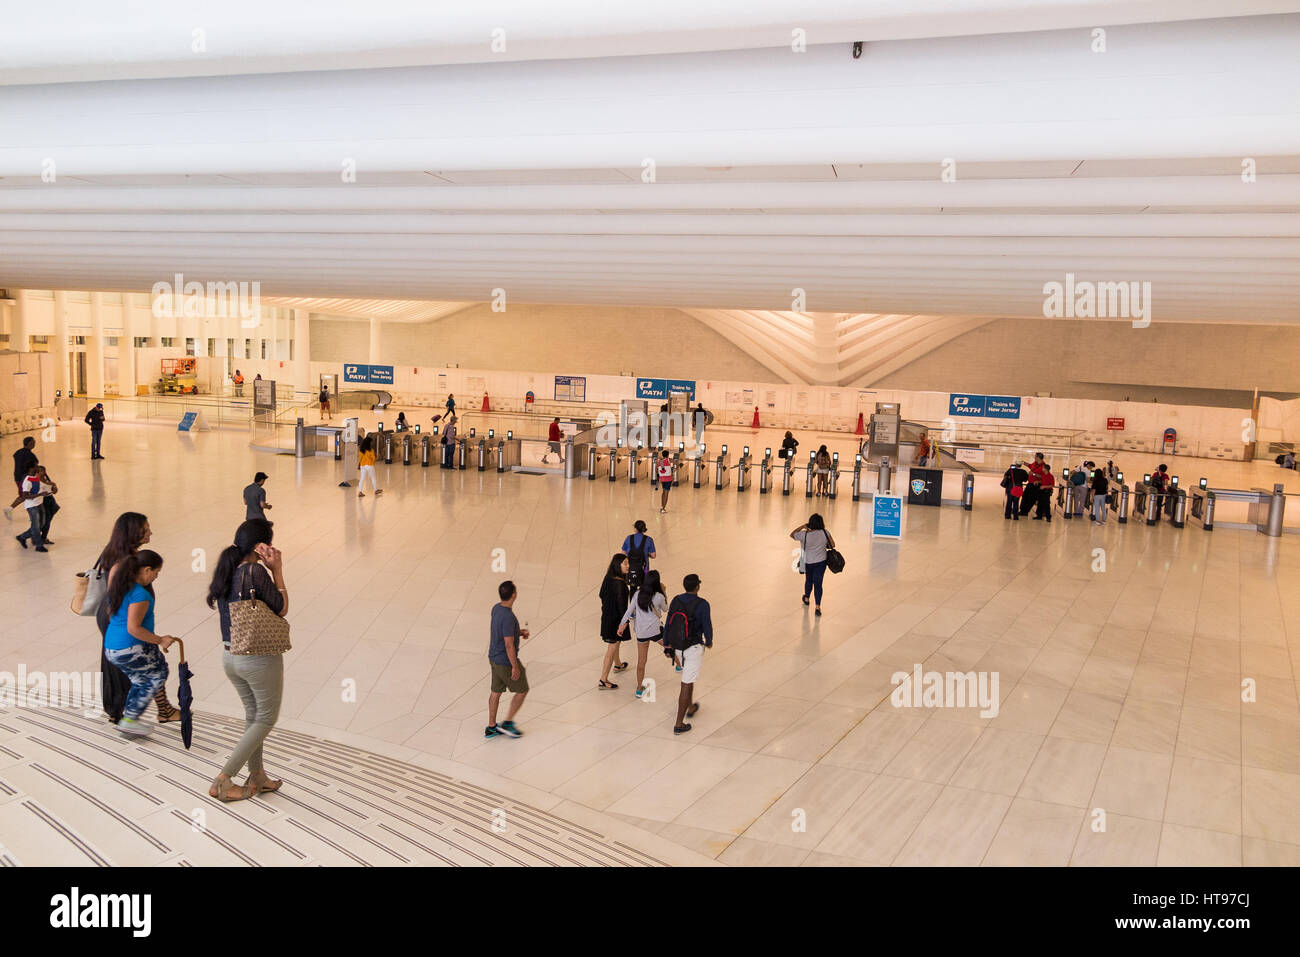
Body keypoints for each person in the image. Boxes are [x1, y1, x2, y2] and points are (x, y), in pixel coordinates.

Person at [206, 519, 289, 801]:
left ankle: (257, 776)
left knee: (254, 716)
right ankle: (223, 779)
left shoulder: (227, 570)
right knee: (266, 718)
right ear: (260, 546)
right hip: (257, 657)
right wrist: (277, 570)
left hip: (230, 656)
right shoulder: (254, 571)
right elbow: (281, 609)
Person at [95, 512, 180, 724]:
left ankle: (162, 709)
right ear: (133, 532)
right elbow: (117, 594)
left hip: (124, 617)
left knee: (150, 661)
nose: (151, 531)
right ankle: (120, 712)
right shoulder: (120, 560)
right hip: (120, 620)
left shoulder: (126, 555)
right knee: (128, 667)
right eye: (146, 528)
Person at [103, 550, 175, 737]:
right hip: (130, 647)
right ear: (146, 570)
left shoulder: (119, 586)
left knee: (140, 680)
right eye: (156, 572)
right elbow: (134, 628)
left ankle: (130, 720)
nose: (156, 577)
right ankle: (130, 719)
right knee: (157, 675)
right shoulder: (140, 595)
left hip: (112, 647)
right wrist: (160, 640)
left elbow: (110, 612)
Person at [665, 573, 712, 735]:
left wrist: (667, 644)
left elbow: (669, 622)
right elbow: (707, 626)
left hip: (678, 646)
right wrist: (709, 641)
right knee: (686, 682)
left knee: (688, 676)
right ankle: (679, 723)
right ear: (697, 587)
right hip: (693, 648)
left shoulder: (676, 600)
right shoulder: (702, 604)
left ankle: (690, 706)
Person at [486, 580, 530, 739]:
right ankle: (507, 723)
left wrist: (519, 632)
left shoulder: (496, 608)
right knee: (522, 689)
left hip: (493, 658)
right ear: (514, 595)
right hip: (505, 661)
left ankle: (491, 727)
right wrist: (515, 666)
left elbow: (502, 632)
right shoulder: (509, 616)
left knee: (495, 692)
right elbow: (509, 644)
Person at [617, 569, 668, 698]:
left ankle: (639, 689)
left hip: (641, 632)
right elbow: (666, 609)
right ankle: (680, 665)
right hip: (655, 630)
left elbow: (629, 611)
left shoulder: (637, 594)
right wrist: (664, 592)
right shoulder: (659, 596)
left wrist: (622, 625)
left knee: (641, 661)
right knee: (669, 645)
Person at [597, 553, 631, 689]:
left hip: (606, 616)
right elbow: (623, 607)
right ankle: (603, 680)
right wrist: (624, 623)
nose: (628, 566)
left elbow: (601, 594)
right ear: (618, 565)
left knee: (616, 642)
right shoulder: (620, 585)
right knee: (611, 648)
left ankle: (618, 664)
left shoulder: (608, 578)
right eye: (625, 564)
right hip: (615, 620)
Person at [791, 514, 835, 616]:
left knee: (809, 580)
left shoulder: (804, 534)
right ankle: (818, 607)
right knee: (818, 584)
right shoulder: (825, 532)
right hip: (821, 562)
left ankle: (806, 598)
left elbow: (792, 535)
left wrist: (802, 526)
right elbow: (832, 545)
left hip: (808, 562)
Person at [14, 465, 50, 552]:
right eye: (35, 467)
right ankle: (39, 546)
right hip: (32, 506)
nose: (37, 468)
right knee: (36, 527)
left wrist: (52, 490)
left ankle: (22, 537)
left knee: (41, 524)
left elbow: (43, 488)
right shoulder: (27, 480)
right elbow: (25, 496)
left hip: (39, 504)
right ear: (30, 469)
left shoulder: (35, 478)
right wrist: (40, 495)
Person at [621, 520, 656, 588]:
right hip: (644, 569)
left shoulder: (629, 538)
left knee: (632, 587)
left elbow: (623, 553)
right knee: (643, 587)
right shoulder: (649, 539)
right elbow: (653, 555)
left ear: (635, 528)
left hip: (630, 568)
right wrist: (647, 554)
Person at [35, 466, 59, 544]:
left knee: (48, 520)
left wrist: (54, 488)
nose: (43, 473)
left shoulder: (46, 479)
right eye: (41, 471)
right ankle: (39, 537)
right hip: (43, 501)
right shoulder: (35, 481)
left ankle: (43, 537)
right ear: (37, 472)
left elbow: (53, 488)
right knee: (45, 521)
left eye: (44, 471)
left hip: (50, 500)